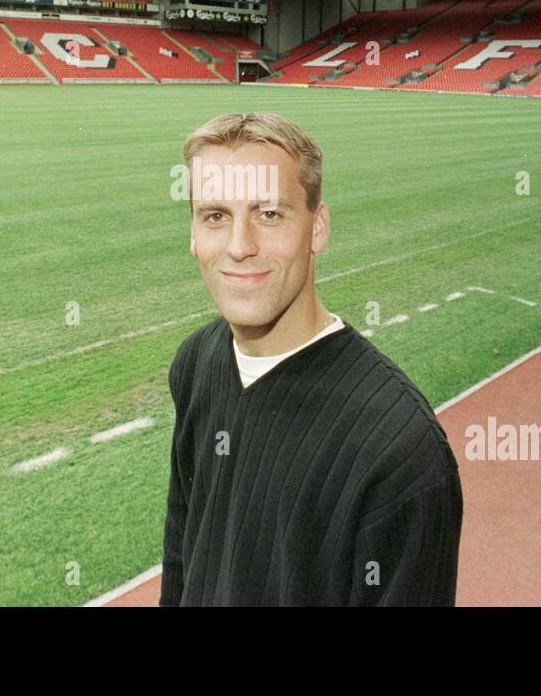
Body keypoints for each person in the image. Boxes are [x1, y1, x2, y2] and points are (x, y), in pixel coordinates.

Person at [160, 111, 463, 606]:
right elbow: (182, 549)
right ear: (193, 234)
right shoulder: (196, 363)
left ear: (317, 228)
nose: (240, 247)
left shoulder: (400, 449)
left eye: (270, 214)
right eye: (216, 215)